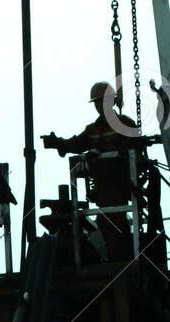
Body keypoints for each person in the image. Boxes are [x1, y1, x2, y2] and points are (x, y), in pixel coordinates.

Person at [42, 82, 144, 260]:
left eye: (102, 101)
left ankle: (120, 259)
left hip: (119, 184)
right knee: (109, 222)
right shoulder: (93, 129)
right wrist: (57, 142)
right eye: (97, 103)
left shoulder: (125, 124)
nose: (99, 106)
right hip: (102, 188)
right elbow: (76, 143)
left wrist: (104, 153)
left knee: (112, 221)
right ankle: (119, 258)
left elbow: (135, 149)